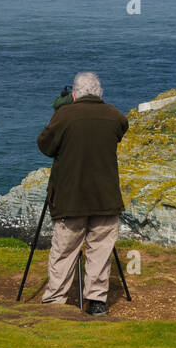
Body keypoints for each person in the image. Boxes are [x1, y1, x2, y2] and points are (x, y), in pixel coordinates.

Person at [37, 71, 128, 315]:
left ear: (75, 94)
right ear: (100, 93)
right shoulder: (115, 116)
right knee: (100, 249)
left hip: (70, 197)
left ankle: (56, 301)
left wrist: (63, 111)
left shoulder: (64, 115)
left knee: (64, 251)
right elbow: (121, 130)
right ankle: (97, 301)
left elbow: (45, 145)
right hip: (105, 197)